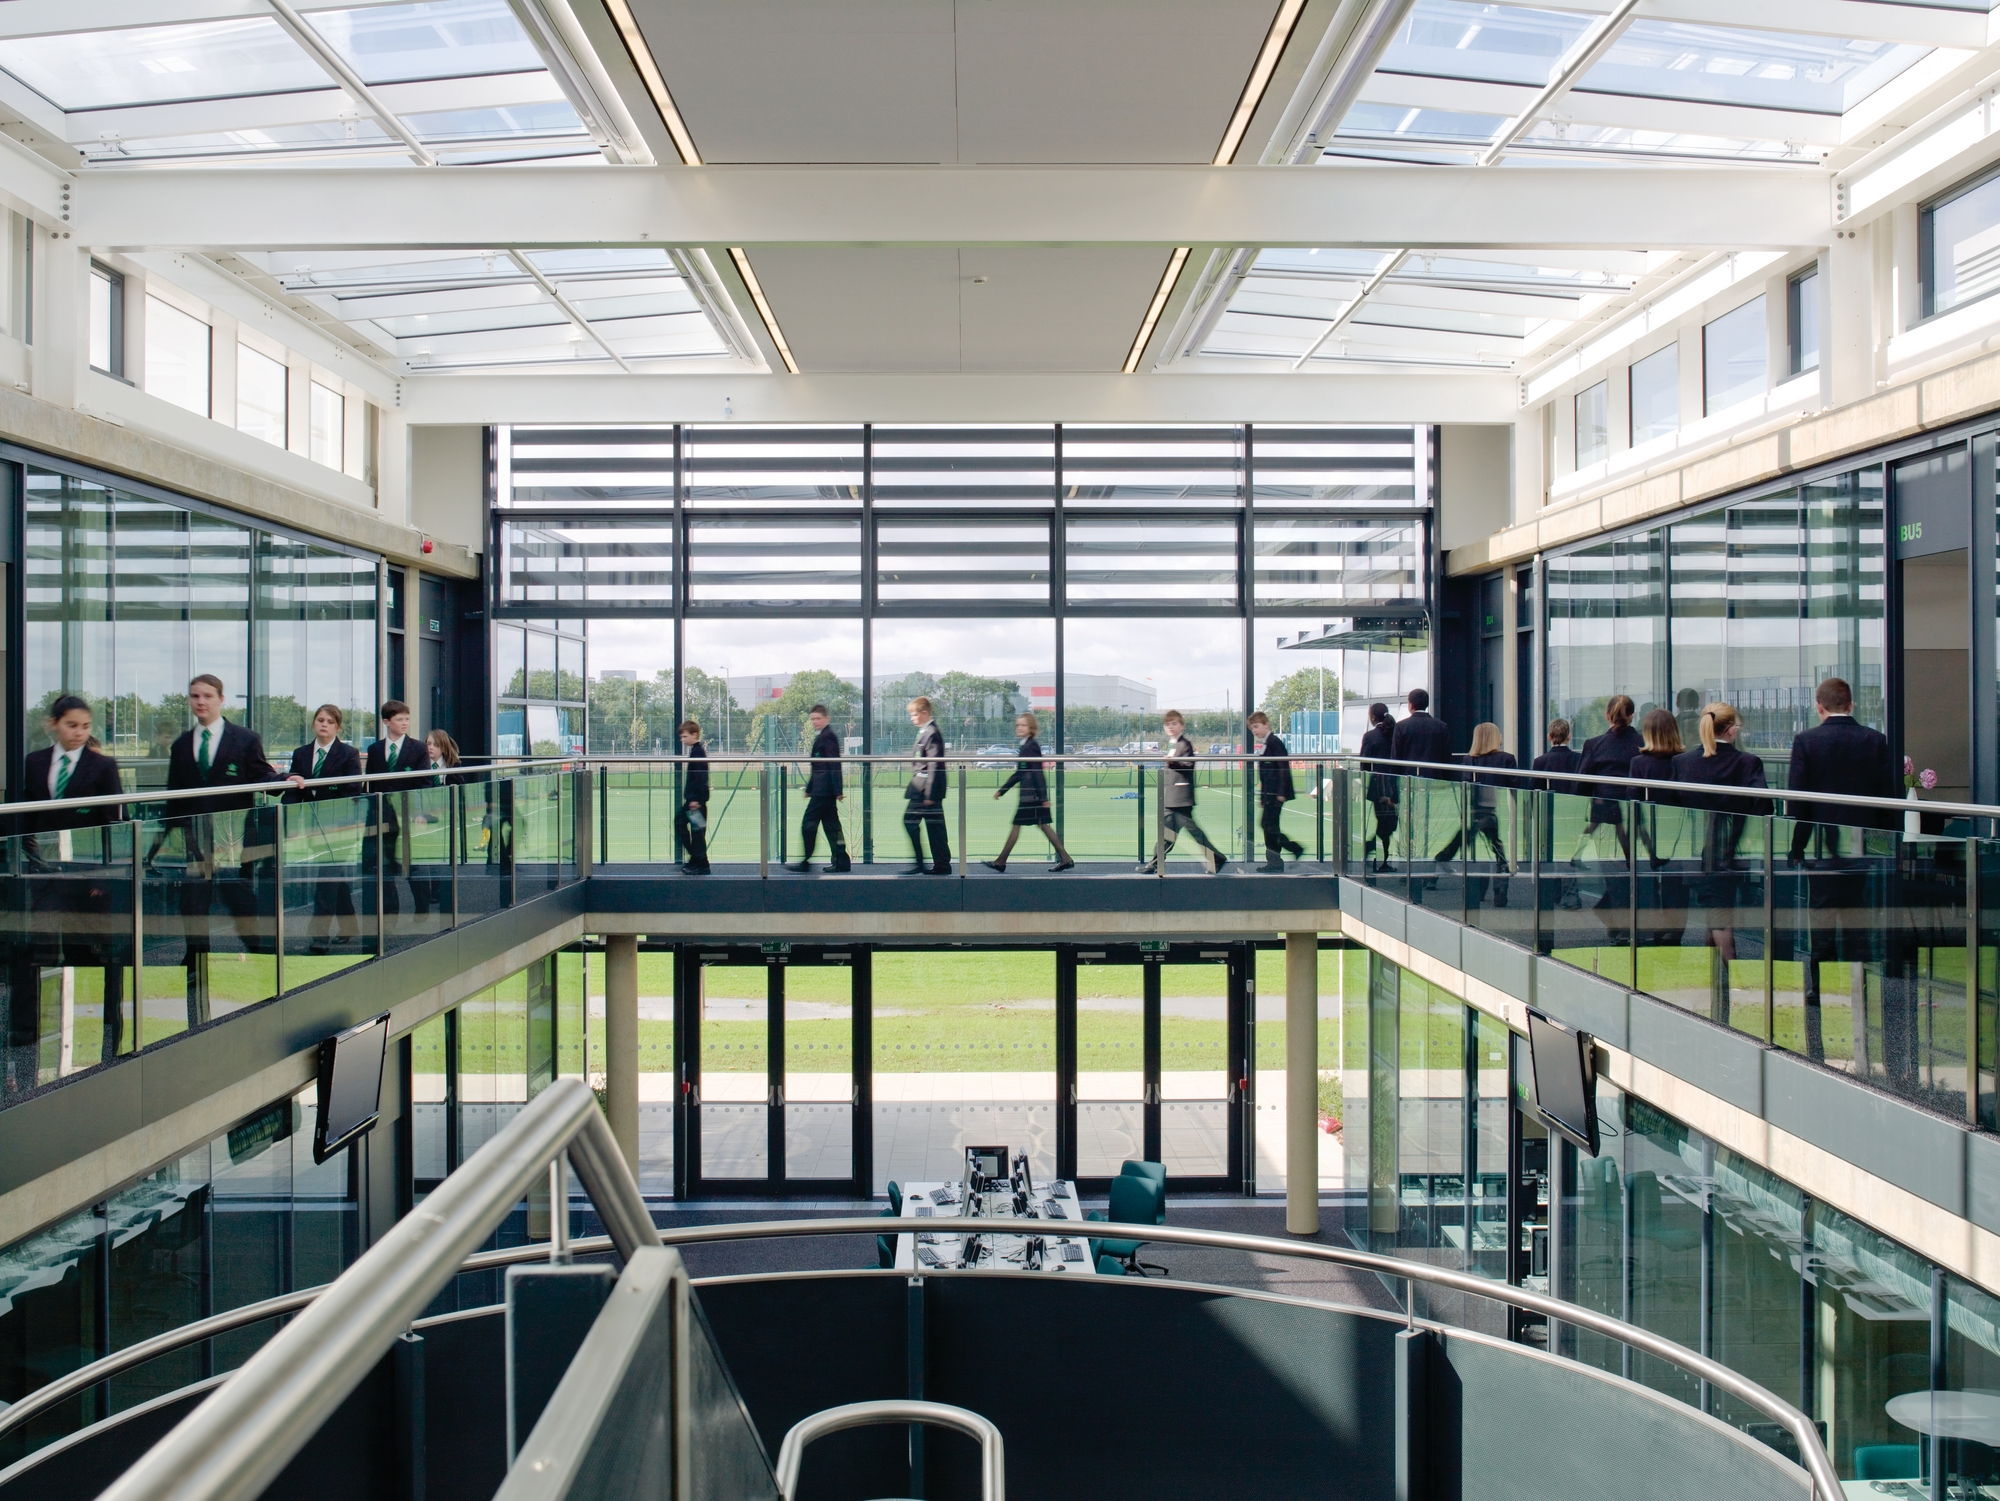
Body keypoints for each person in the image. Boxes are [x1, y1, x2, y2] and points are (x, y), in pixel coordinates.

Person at [1785, 677, 1898, 1064]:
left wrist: (1796, 848)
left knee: (1820, 918)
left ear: (1820, 706)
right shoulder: (1874, 740)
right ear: (1850, 704)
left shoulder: (1806, 741)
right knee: (1858, 917)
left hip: (1822, 851)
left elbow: (1798, 805)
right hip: (1863, 849)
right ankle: (1861, 981)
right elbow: (1886, 800)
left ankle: (1816, 985)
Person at [14, 697, 126, 1068]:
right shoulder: (33, 764)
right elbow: (23, 820)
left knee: (106, 957)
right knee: (34, 954)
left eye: (84, 726)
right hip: (45, 879)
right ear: (53, 725)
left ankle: (113, 1041)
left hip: (89, 884)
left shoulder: (103, 766)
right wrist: (32, 866)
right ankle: (24, 1040)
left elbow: (114, 826)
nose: (79, 733)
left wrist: (103, 877)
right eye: (71, 725)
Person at [166, 674, 280, 1026]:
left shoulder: (245, 740)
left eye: (207, 696)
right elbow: (174, 796)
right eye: (194, 696)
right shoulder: (182, 745)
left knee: (241, 901)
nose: (200, 702)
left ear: (221, 699)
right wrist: (166, 839)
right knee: (195, 904)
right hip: (196, 843)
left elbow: (262, 776)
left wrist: (286, 782)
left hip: (232, 842)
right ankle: (196, 965)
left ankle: (262, 965)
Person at [1672, 702, 1767, 1027]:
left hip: (1698, 853)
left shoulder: (1684, 762)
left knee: (1716, 915)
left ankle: (1715, 981)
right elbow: (1762, 802)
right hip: (1730, 852)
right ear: (1732, 729)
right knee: (1721, 919)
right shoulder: (1746, 762)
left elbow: (1672, 807)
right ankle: (1734, 981)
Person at [285, 705, 364, 954]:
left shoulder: (349, 754)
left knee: (325, 880)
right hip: (311, 826)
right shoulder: (301, 753)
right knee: (333, 879)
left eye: (330, 721)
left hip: (339, 828)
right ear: (313, 724)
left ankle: (319, 936)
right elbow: (293, 792)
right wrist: (288, 825)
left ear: (338, 727)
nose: (324, 725)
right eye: (320, 720)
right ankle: (349, 926)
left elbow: (353, 790)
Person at [365, 700, 434, 921]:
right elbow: (371, 785)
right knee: (384, 863)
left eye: (407, 718)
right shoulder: (374, 750)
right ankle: (390, 912)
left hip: (409, 813)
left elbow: (425, 783)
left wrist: (420, 813)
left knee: (412, 863)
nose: (404, 723)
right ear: (386, 722)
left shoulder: (418, 748)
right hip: (383, 815)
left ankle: (422, 908)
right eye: (399, 719)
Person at [1137, 710, 1227, 875]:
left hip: (1181, 798)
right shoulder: (1174, 744)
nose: (1171, 727)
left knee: (1185, 833)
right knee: (1168, 834)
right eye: (1168, 724)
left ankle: (1216, 858)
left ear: (1182, 726)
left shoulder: (1184, 744)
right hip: (1173, 797)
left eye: (1174, 724)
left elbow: (1188, 765)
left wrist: (1172, 762)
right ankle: (1155, 864)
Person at [1433, 722, 1515, 903]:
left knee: (1488, 841)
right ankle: (1500, 886)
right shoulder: (1506, 759)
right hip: (1493, 810)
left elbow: (1466, 788)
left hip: (1476, 810)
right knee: (1497, 846)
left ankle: (1444, 857)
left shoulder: (1470, 760)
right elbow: (1515, 786)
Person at [985, 712, 1074, 872]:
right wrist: (1002, 790)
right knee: (1042, 825)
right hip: (1032, 796)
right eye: (1018, 725)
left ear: (1031, 727)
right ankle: (1065, 858)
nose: (1019, 728)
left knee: (1018, 825)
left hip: (1031, 797)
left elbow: (1037, 772)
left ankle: (1000, 861)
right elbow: (1020, 772)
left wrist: (1043, 798)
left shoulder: (1030, 746)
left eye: (1023, 725)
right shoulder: (1026, 745)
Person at [1627, 707, 1687, 945]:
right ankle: (1673, 937)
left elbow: (1634, 805)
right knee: (1676, 891)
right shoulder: (1683, 762)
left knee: (1648, 888)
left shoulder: (1639, 763)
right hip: (1677, 838)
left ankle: (1651, 935)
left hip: (1648, 835)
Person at [1575, 695, 1642, 860]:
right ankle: (1631, 860)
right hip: (1632, 798)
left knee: (1613, 827)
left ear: (1607, 715)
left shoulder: (1594, 744)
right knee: (1627, 827)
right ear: (1632, 715)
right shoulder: (1643, 742)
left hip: (1604, 798)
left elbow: (1582, 781)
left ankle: (1576, 855)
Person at [788, 705, 850, 874]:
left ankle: (806, 861)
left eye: (818, 718)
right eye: (812, 719)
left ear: (826, 719)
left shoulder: (827, 737)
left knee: (808, 825)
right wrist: (810, 788)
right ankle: (841, 861)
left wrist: (838, 790)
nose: (815, 722)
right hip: (823, 790)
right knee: (832, 826)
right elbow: (819, 767)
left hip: (823, 792)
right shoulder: (824, 736)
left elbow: (833, 764)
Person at [1247, 711, 1303, 873]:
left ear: (1266, 724)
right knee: (1268, 825)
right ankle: (1281, 856)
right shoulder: (1268, 743)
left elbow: (1283, 768)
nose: (1254, 731)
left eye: (1256, 726)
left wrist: (1281, 792)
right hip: (1269, 794)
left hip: (1275, 793)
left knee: (1268, 825)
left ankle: (1280, 858)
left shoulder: (1274, 742)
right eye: (1252, 728)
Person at [903, 696, 951, 874]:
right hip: (924, 788)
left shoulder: (931, 733)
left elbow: (934, 765)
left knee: (912, 822)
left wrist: (930, 795)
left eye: (914, 714)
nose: (912, 718)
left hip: (925, 790)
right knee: (935, 827)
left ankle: (924, 863)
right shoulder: (926, 731)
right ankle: (942, 864)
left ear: (924, 713)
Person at [1359, 702, 1398, 871]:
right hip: (1394, 784)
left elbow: (1364, 764)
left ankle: (1372, 850)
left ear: (1373, 717)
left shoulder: (1370, 736)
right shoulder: (1395, 733)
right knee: (1388, 822)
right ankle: (1381, 859)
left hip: (1378, 785)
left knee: (1384, 821)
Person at [675, 720, 710, 874]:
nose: (682, 740)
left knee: (696, 831)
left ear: (694, 734)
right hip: (694, 799)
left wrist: (695, 799)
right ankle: (697, 859)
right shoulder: (696, 751)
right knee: (688, 826)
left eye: (684, 736)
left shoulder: (698, 752)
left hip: (696, 801)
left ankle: (700, 862)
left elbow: (701, 778)